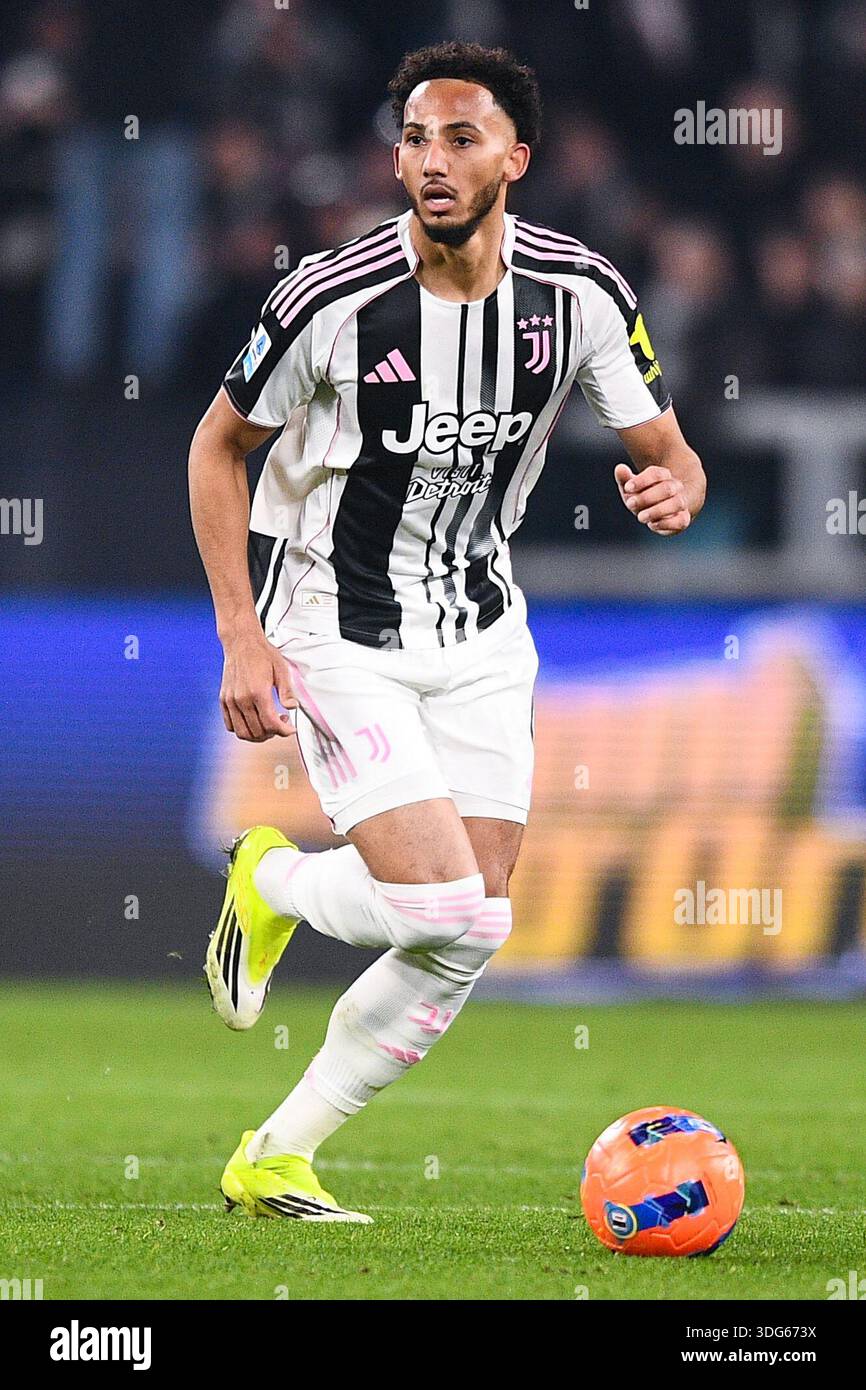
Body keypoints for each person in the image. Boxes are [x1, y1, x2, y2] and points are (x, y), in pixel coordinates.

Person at [188, 41, 706, 1222]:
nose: (429, 160)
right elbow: (216, 446)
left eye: (459, 138)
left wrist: (676, 488)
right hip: (334, 620)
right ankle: (276, 879)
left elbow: (670, 455)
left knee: (476, 924)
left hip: (479, 628)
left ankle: (276, 1152)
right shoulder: (329, 296)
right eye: (414, 138)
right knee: (436, 905)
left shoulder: (579, 294)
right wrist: (239, 635)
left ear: (513, 160)